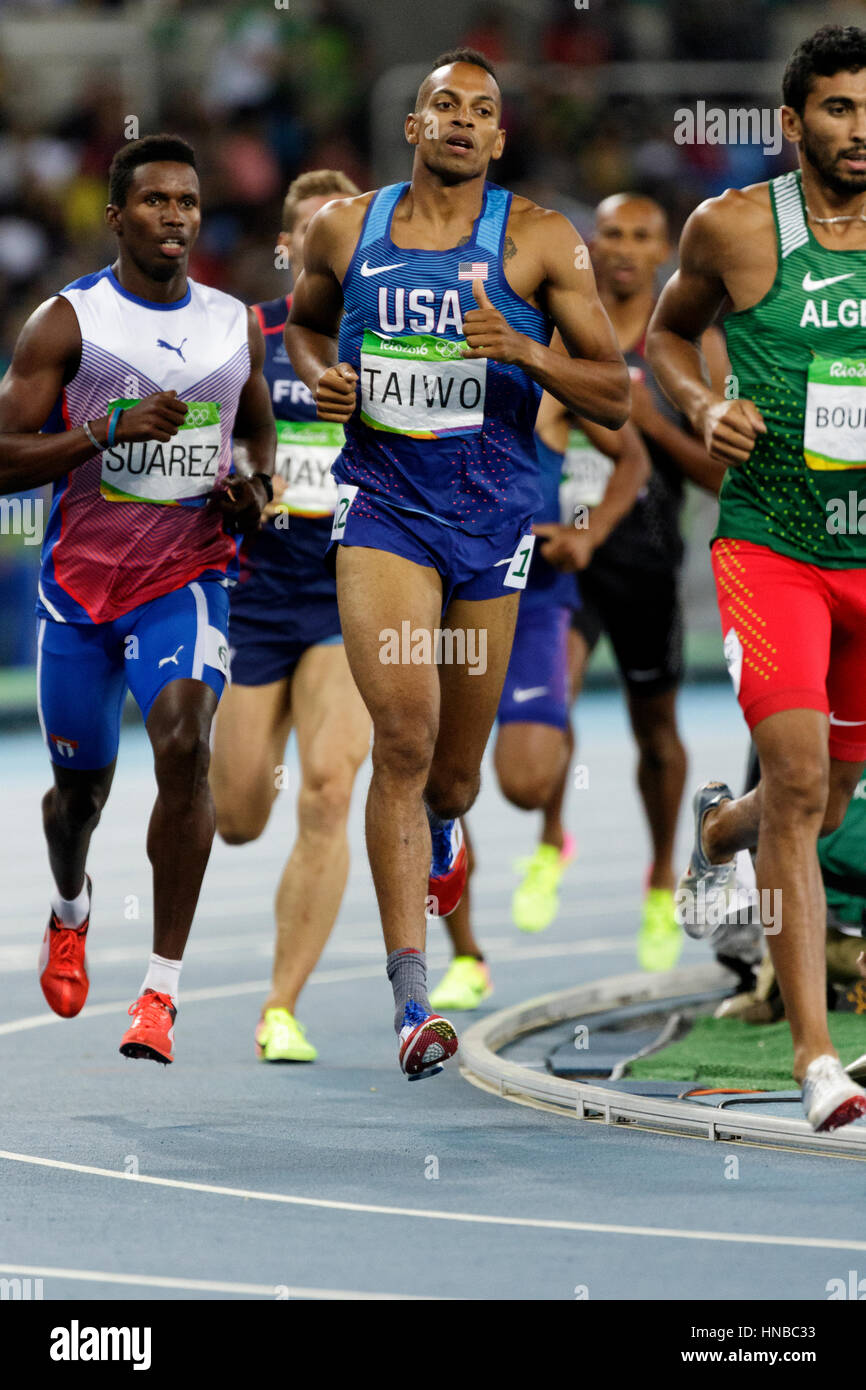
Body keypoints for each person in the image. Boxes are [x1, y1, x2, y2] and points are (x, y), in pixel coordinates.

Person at [285, 48, 630, 1078]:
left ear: (498, 137)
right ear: (413, 123)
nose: (462, 122)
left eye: (481, 111)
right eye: (444, 105)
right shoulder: (345, 226)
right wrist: (323, 378)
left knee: (452, 772)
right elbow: (304, 324)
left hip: (492, 526)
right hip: (383, 511)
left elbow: (612, 392)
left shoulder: (536, 241)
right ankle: (409, 998)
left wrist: (524, 353)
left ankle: (444, 826)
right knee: (401, 732)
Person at [0, 134, 275, 1064]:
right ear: (117, 216)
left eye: (189, 203)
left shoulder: (235, 325)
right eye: (155, 201)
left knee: (187, 748)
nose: (175, 217)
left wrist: (253, 489)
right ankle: (70, 907)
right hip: (80, 597)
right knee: (78, 798)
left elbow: (256, 438)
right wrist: (99, 433)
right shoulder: (66, 325)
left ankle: (160, 992)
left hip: (187, 581)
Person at [646, 24, 866, 1131]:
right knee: (797, 781)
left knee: (820, 801)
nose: (858, 130)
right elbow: (666, 339)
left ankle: (720, 830)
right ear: (790, 123)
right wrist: (701, 405)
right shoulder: (731, 228)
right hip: (771, 544)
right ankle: (817, 1060)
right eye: (836, 109)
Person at [522, 194, 727, 972]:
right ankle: (549, 838)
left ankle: (654, 876)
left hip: (644, 556)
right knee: (554, 696)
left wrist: (648, 420)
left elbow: (718, 472)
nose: (623, 249)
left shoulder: (688, 345)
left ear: (665, 249)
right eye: (610, 232)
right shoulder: (561, 325)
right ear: (591, 242)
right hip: (560, 550)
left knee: (655, 731)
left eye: (642, 236)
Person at [210, 169, 371, 1064]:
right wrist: (237, 487)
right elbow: (201, 443)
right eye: (307, 233)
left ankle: (281, 1005)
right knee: (238, 815)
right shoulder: (244, 340)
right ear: (286, 247)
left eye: (338, 232)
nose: (323, 246)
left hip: (347, 593)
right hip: (253, 592)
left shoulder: (394, 345)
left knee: (327, 791)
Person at [431, 406, 650, 1011]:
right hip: (439, 600)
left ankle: (553, 829)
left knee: (525, 783)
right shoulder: (410, 358)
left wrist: (590, 531)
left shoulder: (546, 383)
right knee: (437, 780)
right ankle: (467, 956)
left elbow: (632, 456)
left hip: (533, 598)